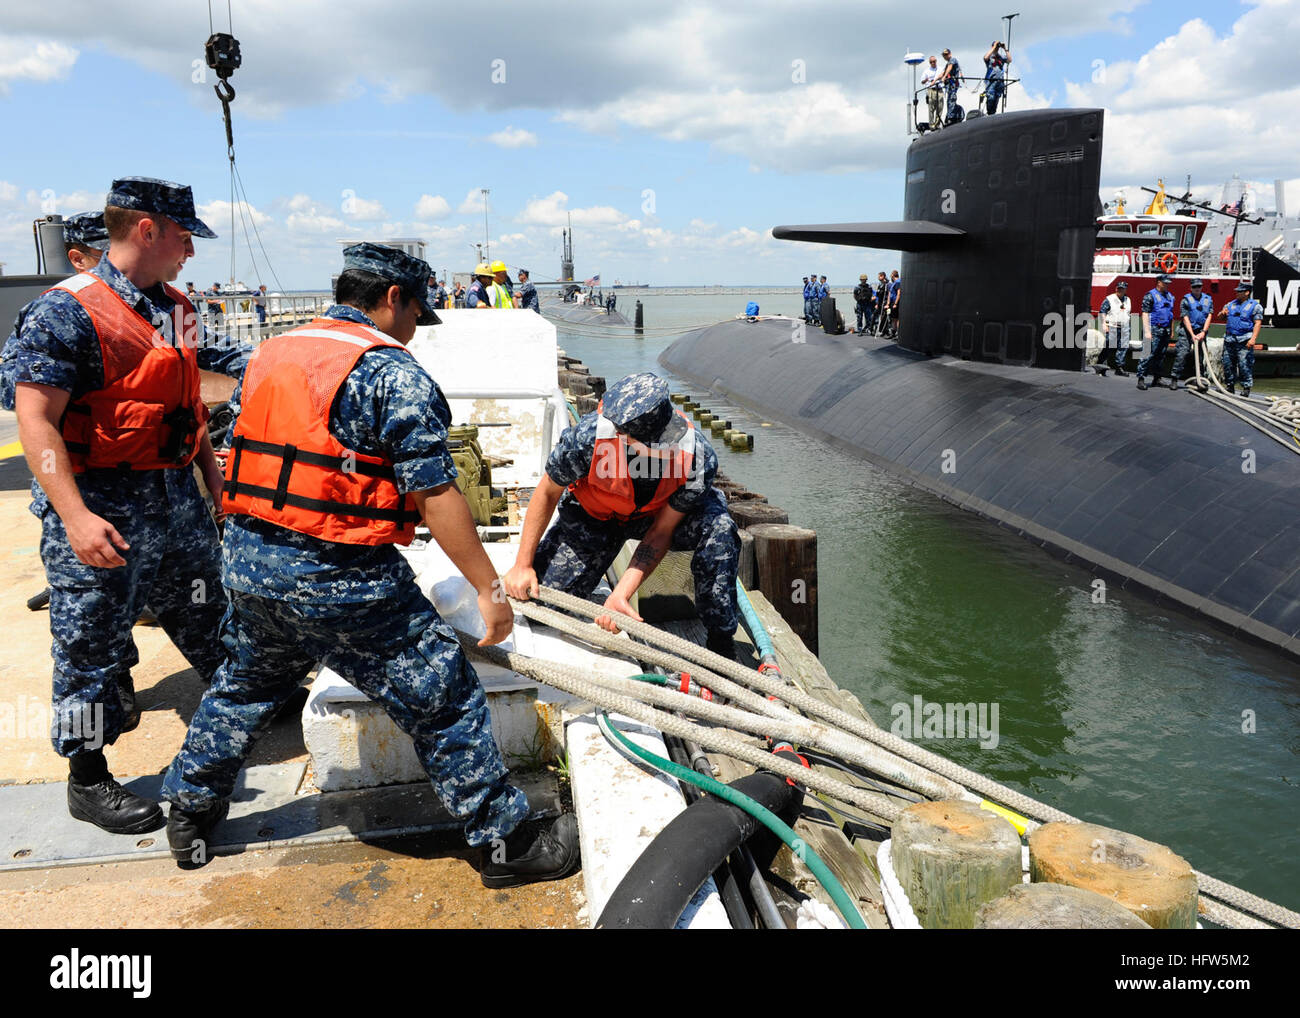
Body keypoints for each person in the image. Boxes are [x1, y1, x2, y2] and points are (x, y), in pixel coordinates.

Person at [161, 242, 579, 885]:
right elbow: (435, 495)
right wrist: (489, 589)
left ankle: (190, 810)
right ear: (392, 299)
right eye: (417, 314)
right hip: (343, 581)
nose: (416, 330)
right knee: (443, 693)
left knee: (243, 685)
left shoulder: (269, 354)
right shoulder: (393, 374)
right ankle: (506, 843)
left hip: (249, 565)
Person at [0, 176, 250, 835]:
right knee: (90, 646)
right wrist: (76, 518)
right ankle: (87, 778)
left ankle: (241, 704)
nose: (190, 253)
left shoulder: (177, 308)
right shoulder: (65, 311)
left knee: (209, 610)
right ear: (147, 230)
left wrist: (213, 480)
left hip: (177, 501)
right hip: (103, 506)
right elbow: (36, 422)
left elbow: (187, 404)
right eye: (184, 237)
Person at [503, 372, 742, 662]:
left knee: (719, 528)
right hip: (595, 517)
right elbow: (547, 492)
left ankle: (721, 641)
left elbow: (661, 531)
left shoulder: (697, 457)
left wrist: (620, 595)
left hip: (654, 517)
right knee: (543, 608)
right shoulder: (590, 438)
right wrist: (522, 564)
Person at [1218, 281, 1263, 396]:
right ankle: (1230, 386)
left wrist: (1253, 339)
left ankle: (1246, 387)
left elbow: (1257, 323)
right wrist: (1222, 313)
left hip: (1244, 340)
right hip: (1230, 339)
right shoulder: (1230, 304)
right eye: (1237, 291)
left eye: (1240, 291)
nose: (1237, 293)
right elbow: (1220, 317)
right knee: (1228, 363)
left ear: (1247, 293)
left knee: (1244, 364)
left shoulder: (1255, 306)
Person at [1136, 274, 1176, 390]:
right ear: (1158, 282)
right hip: (1153, 328)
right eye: (1165, 283)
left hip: (1165, 330)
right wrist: (1147, 331)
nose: (1167, 285)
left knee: (1161, 355)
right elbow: (1145, 313)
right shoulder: (1150, 296)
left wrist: (1171, 330)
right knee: (1147, 353)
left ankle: (1157, 378)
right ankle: (1141, 378)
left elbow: (1171, 314)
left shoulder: (1170, 296)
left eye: (1168, 283)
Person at [1172, 278, 1213, 390]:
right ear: (1191, 288)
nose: (1197, 289)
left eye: (1199, 287)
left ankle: (1199, 379)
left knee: (1200, 356)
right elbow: (1185, 318)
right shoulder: (1186, 300)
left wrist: (1203, 332)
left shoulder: (1207, 299)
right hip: (1187, 330)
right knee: (1182, 353)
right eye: (1194, 287)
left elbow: (1209, 315)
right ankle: (1174, 378)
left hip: (1201, 331)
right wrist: (1192, 334)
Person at [1097, 280, 1133, 375]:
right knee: (1109, 346)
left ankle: (1119, 368)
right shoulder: (1109, 299)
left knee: (1123, 347)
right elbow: (1102, 312)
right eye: (1119, 288)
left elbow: (1127, 313)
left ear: (1125, 290)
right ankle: (1100, 365)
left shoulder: (1127, 300)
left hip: (1124, 327)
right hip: (1113, 326)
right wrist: (1104, 325)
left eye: (1122, 289)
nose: (1120, 290)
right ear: (1116, 288)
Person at [982, 41, 1010, 115]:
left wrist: (1005, 49)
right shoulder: (989, 56)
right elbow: (985, 58)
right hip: (991, 81)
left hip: (1000, 82)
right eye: (996, 47)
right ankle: (989, 112)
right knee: (990, 97)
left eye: (998, 47)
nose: (997, 48)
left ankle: (993, 113)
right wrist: (994, 47)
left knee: (996, 98)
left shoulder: (1001, 57)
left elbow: (1009, 60)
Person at [938, 48, 962, 124]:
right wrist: (935, 81)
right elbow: (943, 73)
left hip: (953, 84)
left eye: (946, 54)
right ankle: (950, 115)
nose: (945, 56)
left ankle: (951, 117)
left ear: (949, 54)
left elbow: (949, 68)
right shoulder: (947, 64)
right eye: (944, 55)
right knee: (949, 100)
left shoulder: (952, 60)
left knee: (951, 99)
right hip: (949, 85)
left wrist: (944, 76)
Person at [921, 55, 944, 131]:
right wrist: (927, 80)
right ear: (929, 63)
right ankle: (932, 125)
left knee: (940, 108)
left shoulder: (940, 69)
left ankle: (937, 124)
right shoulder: (926, 71)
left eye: (934, 61)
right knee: (931, 109)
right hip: (931, 90)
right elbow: (922, 81)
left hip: (939, 89)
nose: (933, 63)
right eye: (931, 62)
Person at [887, 270, 902, 338]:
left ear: (893, 275)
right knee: (893, 318)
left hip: (896, 302)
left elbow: (899, 293)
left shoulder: (898, 282)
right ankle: (893, 332)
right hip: (893, 302)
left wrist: (895, 303)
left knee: (897, 318)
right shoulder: (894, 283)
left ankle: (898, 334)